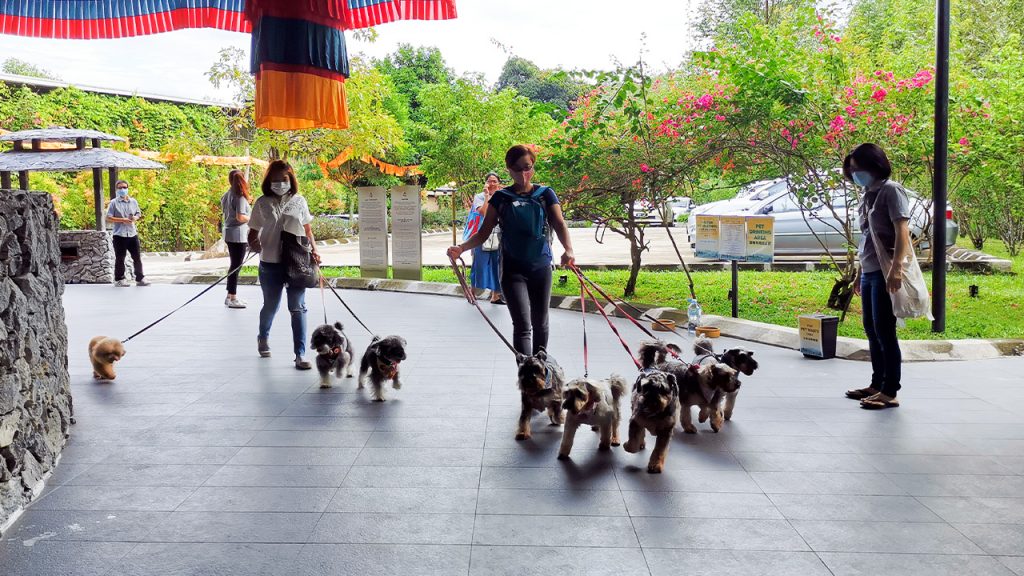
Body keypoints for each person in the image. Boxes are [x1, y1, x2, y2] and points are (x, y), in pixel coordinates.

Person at [447, 145, 575, 356]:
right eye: (517, 169)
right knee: (523, 326)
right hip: (512, 270)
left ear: (533, 167)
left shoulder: (546, 194)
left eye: (528, 168)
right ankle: (527, 376)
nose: (524, 174)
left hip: (541, 267)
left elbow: (559, 223)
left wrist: (568, 250)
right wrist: (461, 248)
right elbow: (483, 232)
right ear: (509, 169)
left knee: (540, 322)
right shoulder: (501, 197)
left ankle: (542, 370)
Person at [843, 143, 911, 410]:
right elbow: (868, 239)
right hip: (870, 270)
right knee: (872, 330)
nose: (855, 175)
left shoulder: (891, 191)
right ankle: (876, 384)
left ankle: (890, 390)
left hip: (885, 271)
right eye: (852, 171)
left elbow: (902, 231)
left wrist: (896, 269)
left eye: (858, 169)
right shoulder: (868, 194)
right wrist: (860, 273)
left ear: (874, 166)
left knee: (885, 331)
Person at [247, 160, 320, 370]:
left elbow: (307, 230)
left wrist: (315, 250)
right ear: (269, 181)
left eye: (284, 180)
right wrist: (255, 244)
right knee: (271, 305)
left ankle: (300, 354)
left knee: (297, 308)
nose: (280, 183)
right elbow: (252, 231)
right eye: (275, 180)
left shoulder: (299, 201)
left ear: (291, 180)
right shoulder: (262, 203)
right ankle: (263, 337)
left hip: (297, 261)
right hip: (270, 263)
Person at [466, 172, 504, 304]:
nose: (492, 184)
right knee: (479, 265)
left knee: (497, 265)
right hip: (481, 236)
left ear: (498, 183)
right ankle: (472, 293)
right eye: (489, 181)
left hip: (498, 236)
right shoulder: (480, 197)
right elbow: (483, 212)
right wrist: (487, 196)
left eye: (494, 181)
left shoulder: (503, 197)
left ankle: (496, 295)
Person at [106, 179, 150, 287]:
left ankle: (140, 278)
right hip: (119, 235)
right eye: (120, 188)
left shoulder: (133, 201)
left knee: (137, 257)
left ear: (128, 188)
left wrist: (135, 217)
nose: (123, 190)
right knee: (120, 258)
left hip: (132, 233)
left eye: (124, 187)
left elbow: (138, 213)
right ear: (117, 189)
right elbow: (108, 218)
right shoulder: (113, 203)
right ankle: (119, 279)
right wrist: (122, 220)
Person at [221, 169, 252, 309]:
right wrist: (253, 219)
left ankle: (229, 296)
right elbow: (241, 217)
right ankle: (233, 296)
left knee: (233, 265)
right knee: (236, 266)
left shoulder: (226, 195)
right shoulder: (239, 197)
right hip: (238, 235)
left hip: (228, 233)